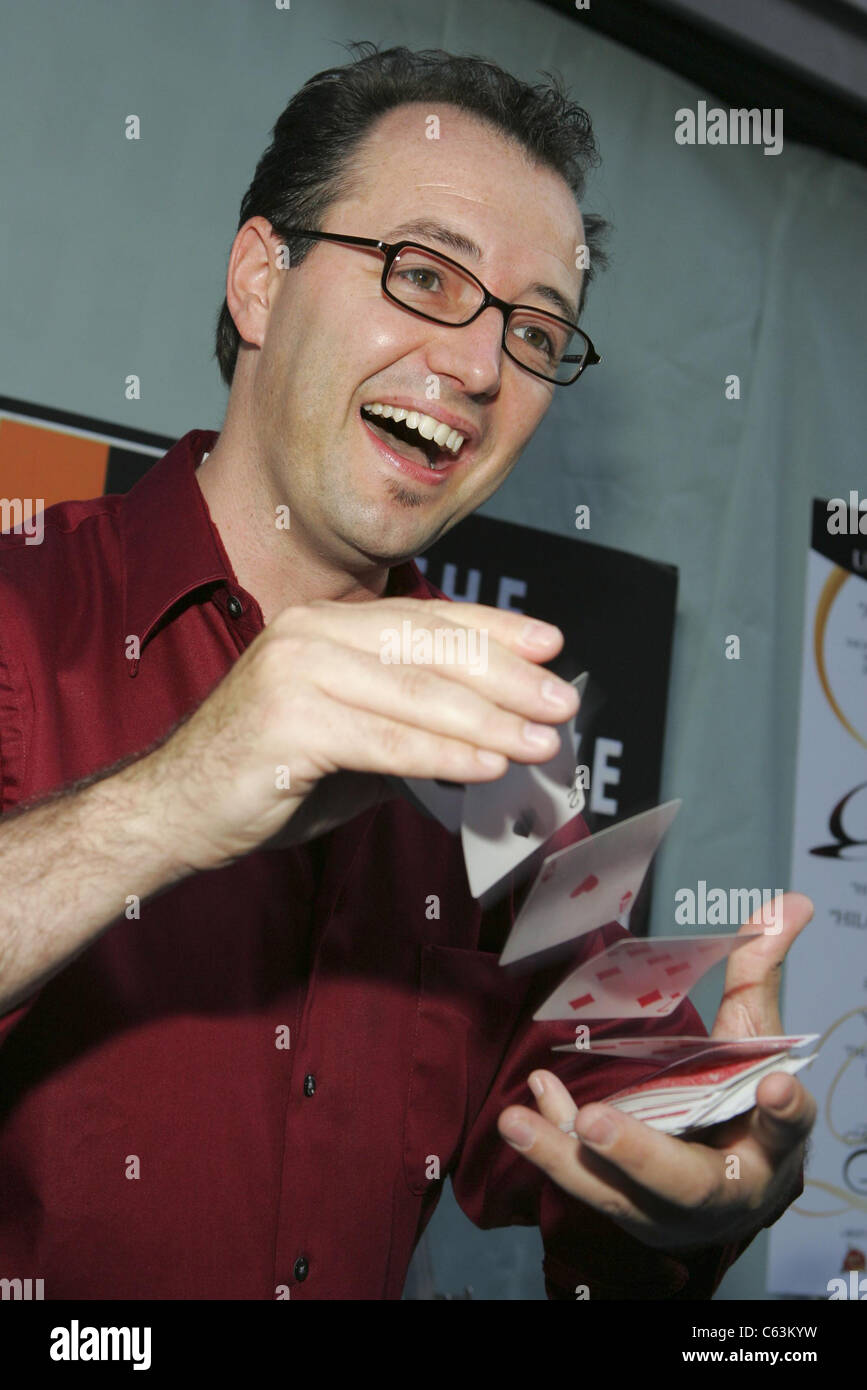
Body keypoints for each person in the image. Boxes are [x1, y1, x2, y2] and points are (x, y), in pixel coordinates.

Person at [0, 43, 814, 1300]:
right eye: (424, 275)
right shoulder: (18, 599)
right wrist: (167, 802)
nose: (481, 370)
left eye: (535, 330)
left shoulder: (516, 752)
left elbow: (606, 1086)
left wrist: (713, 1151)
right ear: (262, 280)